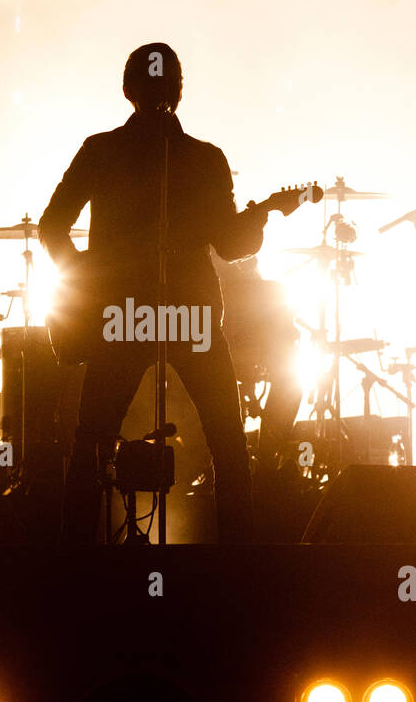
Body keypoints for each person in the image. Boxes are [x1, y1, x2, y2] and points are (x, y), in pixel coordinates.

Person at [39, 42, 266, 543]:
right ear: (178, 92)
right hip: (191, 318)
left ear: (128, 89)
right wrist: (263, 217)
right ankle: (242, 568)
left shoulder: (100, 150)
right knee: (227, 440)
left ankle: (71, 566)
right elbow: (231, 245)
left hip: (122, 315)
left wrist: (86, 284)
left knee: (91, 440)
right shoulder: (206, 159)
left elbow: (53, 226)